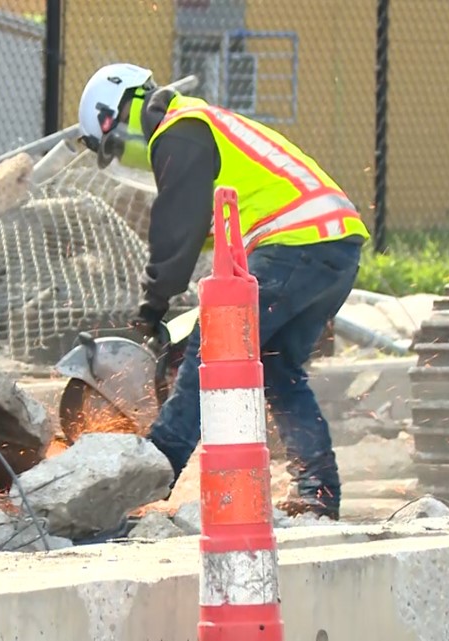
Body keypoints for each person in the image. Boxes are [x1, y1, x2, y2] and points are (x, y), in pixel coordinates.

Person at [74, 63, 370, 520]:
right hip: (334, 246)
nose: (126, 159)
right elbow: (205, 235)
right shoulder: (199, 130)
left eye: (115, 146)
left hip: (295, 242)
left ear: (122, 113)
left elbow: (176, 232)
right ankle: (319, 490)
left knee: (211, 348)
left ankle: (153, 471)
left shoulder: (179, 132)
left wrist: (151, 309)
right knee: (279, 369)